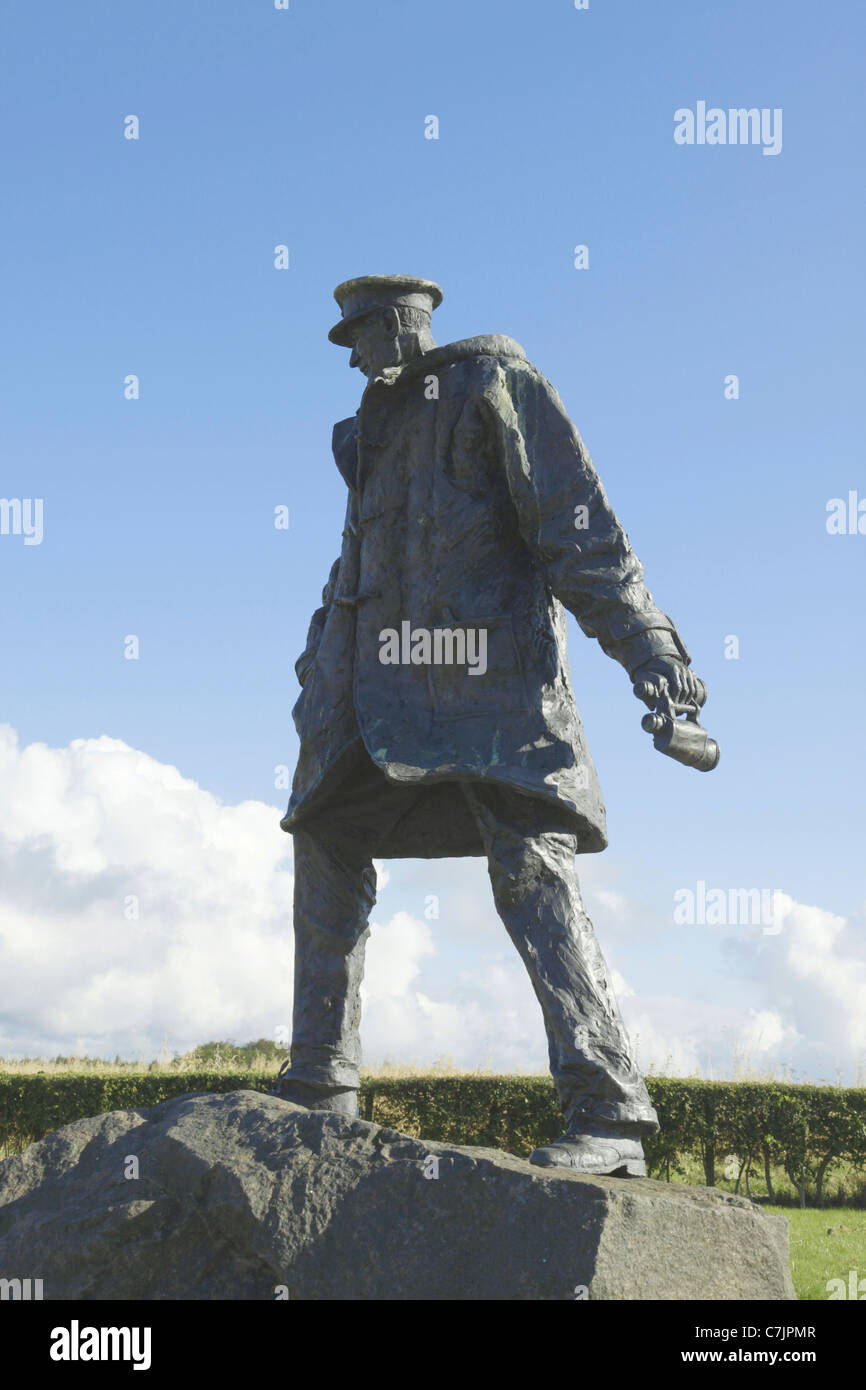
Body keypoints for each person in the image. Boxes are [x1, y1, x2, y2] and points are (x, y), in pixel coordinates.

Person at [273, 275, 704, 1175]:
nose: (349, 355)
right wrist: (318, 663)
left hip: (492, 691)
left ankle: (611, 1110)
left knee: (532, 869)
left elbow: (581, 532)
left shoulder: (493, 385)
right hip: (375, 698)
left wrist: (651, 650)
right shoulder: (373, 433)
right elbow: (356, 564)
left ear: (397, 327)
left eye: (356, 336)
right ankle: (322, 1079)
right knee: (324, 836)